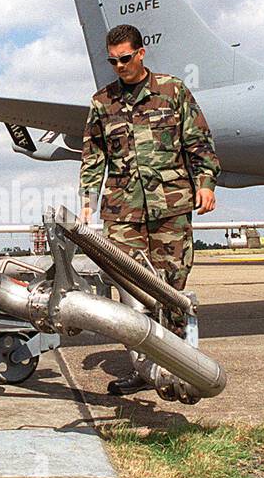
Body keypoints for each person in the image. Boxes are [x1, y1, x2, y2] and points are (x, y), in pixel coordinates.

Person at [79, 24, 220, 395]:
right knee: (131, 289)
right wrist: (87, 202)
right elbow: (94, 157)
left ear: (141, 53)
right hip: (122, 211)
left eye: (125, 58)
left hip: (170, 206)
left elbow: (199, 142)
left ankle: (177, 368)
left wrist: (205, 183)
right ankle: (143, 369)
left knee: (172, 287)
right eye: (113, 61)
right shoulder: (101, 102)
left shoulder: (173, 91)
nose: (119, 66)